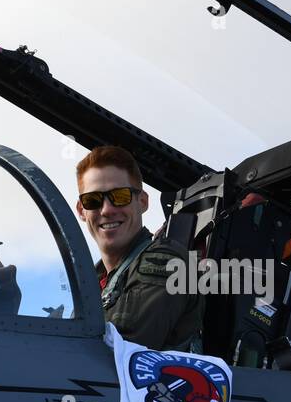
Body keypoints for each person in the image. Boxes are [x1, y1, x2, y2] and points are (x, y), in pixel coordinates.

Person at [74, 145, 200, 351]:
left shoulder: (165, 263)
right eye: (92, 200)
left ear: (142, 201)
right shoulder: (92, 283)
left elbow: (115, 351)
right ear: (81, 210)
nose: (106, 210)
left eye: (120, 196)